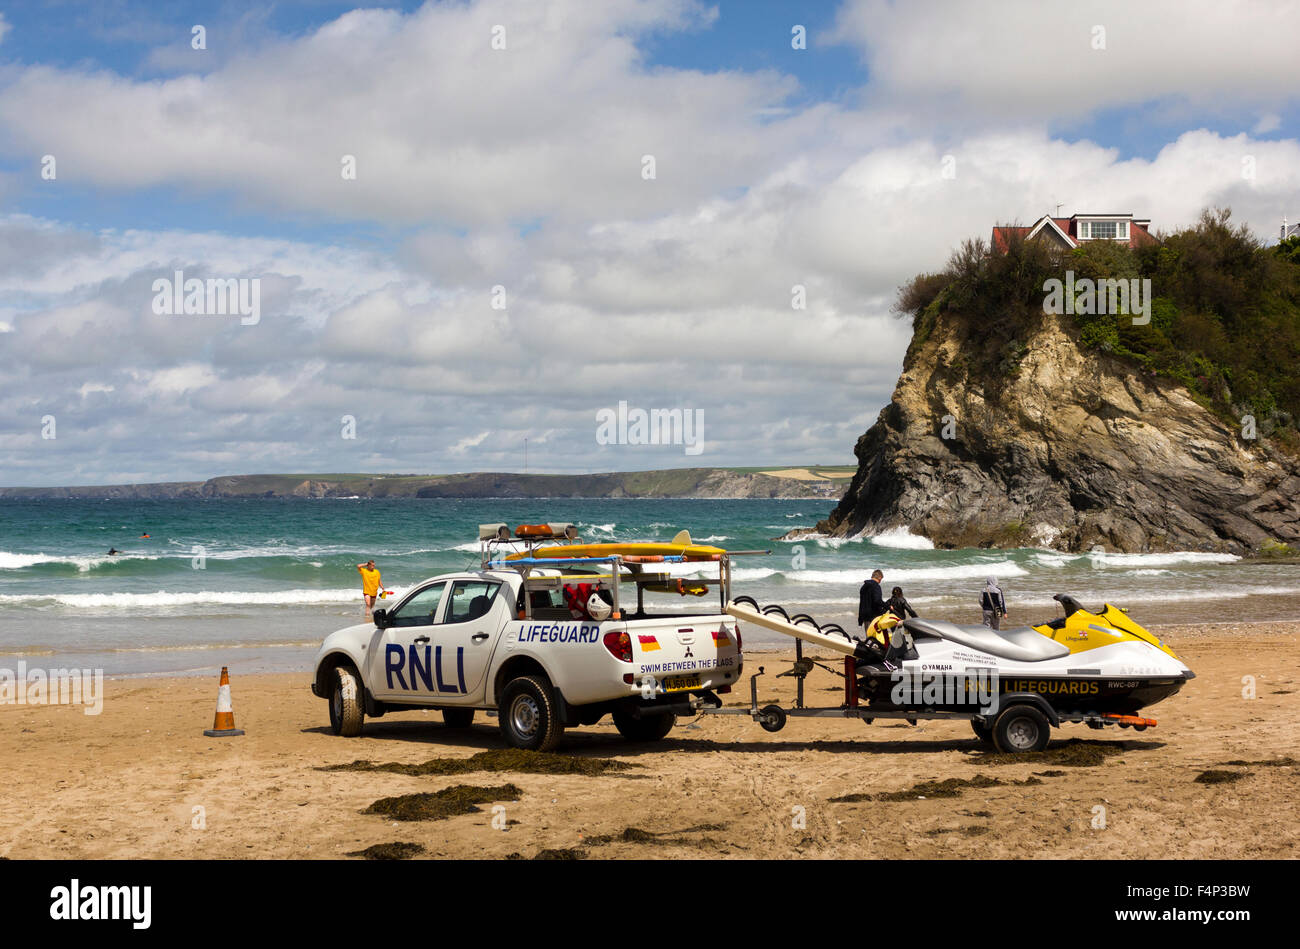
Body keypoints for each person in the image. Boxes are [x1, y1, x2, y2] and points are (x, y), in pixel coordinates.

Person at [857, 569, 886, 639]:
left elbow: (861, 604)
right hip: (873, 615)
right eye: (881, 579)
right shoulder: (876, 586)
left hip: (864, 615)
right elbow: (877, 601)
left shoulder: (863, 587)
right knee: (876, 637)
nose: (880, 582)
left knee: (868, 636)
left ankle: (868, 647)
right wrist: (887, 606)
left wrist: (860, 619)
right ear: (879, 577)